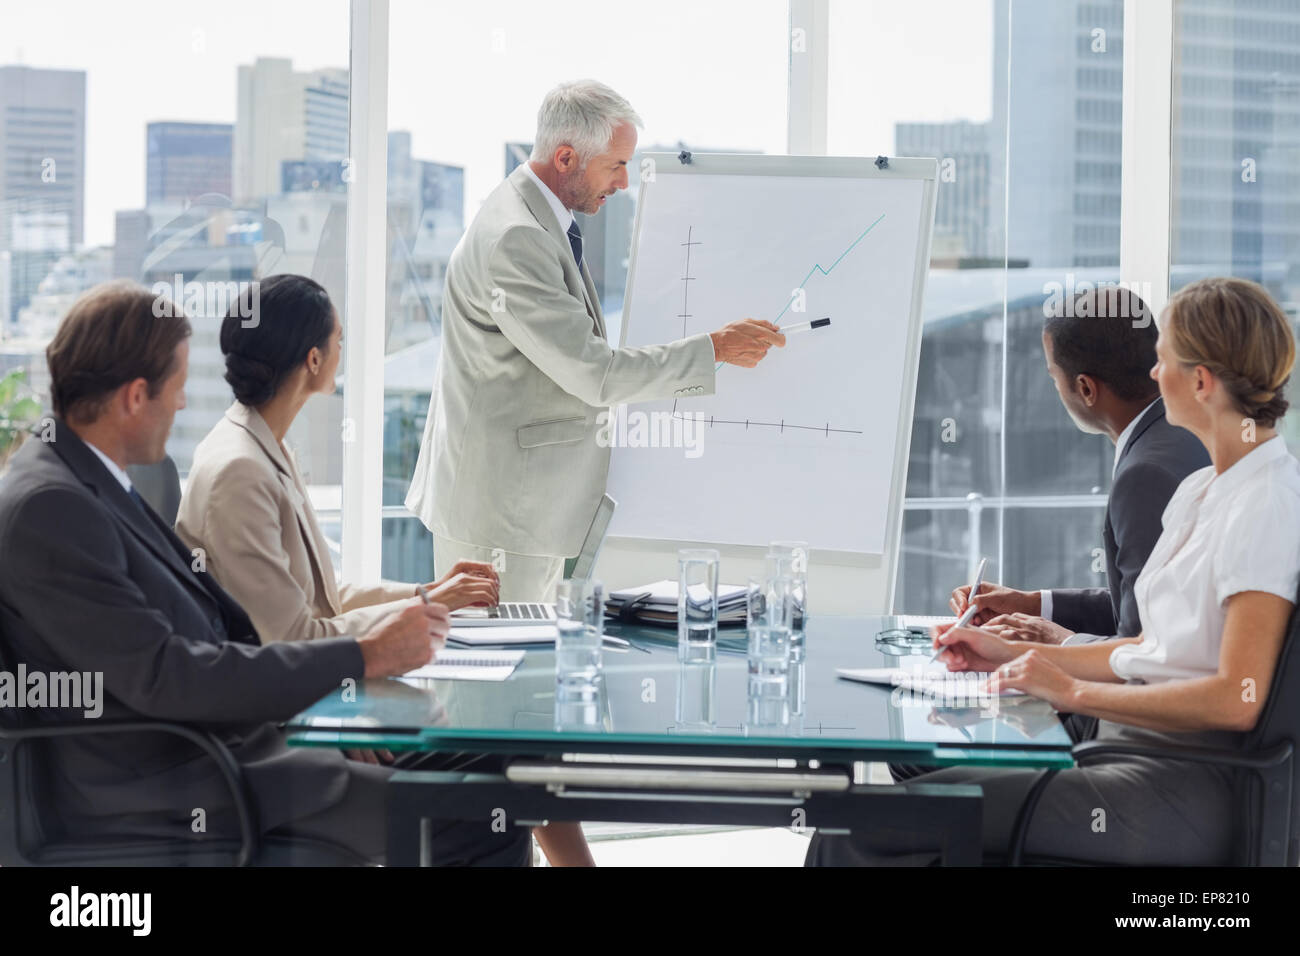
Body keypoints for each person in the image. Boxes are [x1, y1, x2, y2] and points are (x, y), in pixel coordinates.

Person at [0, 281, 529, 865]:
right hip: (181, 784)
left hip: (226, 744)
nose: (181, 404)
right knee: (481, 814)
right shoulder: (52, 507)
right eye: (176, 387)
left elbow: (215, 638)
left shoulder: (83, 481)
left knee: (485, 769)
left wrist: (323, 706)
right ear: (133, 397)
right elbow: (168, 674)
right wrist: (363, 661)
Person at [809, 276, 1300, 865]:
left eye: (1162, 359)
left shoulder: (1265, 503)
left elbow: (1237, 699)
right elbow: (1149, 646)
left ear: (1200, 382)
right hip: (1126, 760)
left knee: (858, 827)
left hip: (1173, 788)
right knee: (878, 815)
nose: (1151, 374)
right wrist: (1020, 659)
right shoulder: (1204, 489)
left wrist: (1070, 688)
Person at [177, 273, 594, 866]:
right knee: (499, 782)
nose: (345, 351)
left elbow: (324, 591)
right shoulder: (239, 471)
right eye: (341, 339)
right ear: (314, 358)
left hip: (318, 700)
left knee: (518, 757)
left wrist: (426, 594)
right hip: (289, 731)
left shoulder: (263, 445)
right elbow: (289, 639)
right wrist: (407, 625)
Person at [406, 79, 785, 602]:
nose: (624, 183)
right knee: (501, 677)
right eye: (616, 166)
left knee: (523, 672)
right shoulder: (518, 238)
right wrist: (713, 349)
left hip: (516, 508)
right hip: (499, 517)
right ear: (566, 158)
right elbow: (594, 373)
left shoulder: (535, 217)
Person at [951, 286, 1208, 648]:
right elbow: (1146, 604)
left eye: (1054, 377)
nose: (1055, 388)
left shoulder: (1145, 474)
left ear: (1086, 388)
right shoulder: (1181, 435)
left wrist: (1061, 643)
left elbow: (1146, 650)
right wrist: (1035, 605)